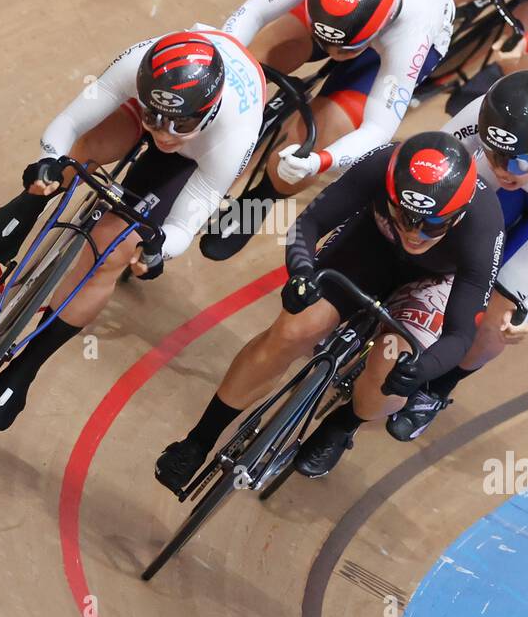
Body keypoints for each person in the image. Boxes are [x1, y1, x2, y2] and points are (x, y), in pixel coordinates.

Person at [155, 131, 505, 491]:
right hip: (369, 251)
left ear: (458, 216)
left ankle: (343, 423)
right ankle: (199, 440)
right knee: (291, 332)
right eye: (402, 216)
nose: (414, 233)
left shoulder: (485, 222)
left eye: (432, 225)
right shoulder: (381, 162)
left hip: (431, 280)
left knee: (388, 380)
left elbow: (461, 334)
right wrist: (302, 275)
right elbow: (309, 224)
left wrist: (421, 369)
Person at [0, 30, 266, 431]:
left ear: (209, 113)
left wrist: (157, 248)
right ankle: (30, 201)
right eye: (153, 118)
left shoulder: (234, 134)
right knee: (83, 152)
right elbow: (71, 123)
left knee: (113, 250)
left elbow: (183, 223)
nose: (163, 133)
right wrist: (48, 163)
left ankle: (26, 367)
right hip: (166, 101)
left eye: (179, 125)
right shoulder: (139, 64)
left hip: (198, 156)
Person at [386, 70, 528, 440]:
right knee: (433, 221)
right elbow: (431, 160)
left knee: (500, 317)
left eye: (516, 161)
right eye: (493, 153)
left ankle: (437, 388)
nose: (501, 168)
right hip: (526, 181)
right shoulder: (487, 117)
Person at [198, 0, 456, 260]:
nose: (331, 51)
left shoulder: (413, 34)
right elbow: (253, 13)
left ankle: (262, 196)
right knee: (254, 61)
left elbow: (377, 129)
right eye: (327, 41)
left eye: (343, 48)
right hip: (340, 12)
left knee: (312, 138)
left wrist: (321, 160)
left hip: (406, 38)